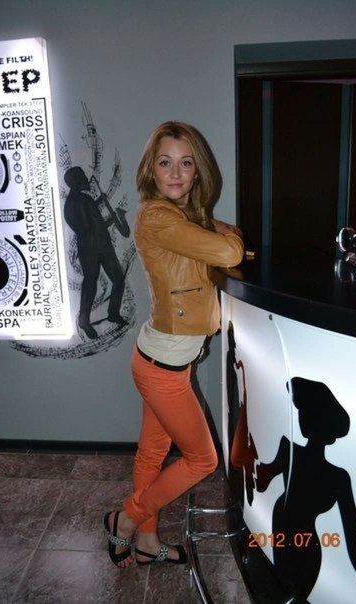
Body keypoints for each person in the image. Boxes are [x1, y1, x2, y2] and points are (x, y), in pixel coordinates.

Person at [104, 121, 244, 567]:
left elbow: (222, 233)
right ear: (151, 169)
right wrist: (228, 237)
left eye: (186, 163)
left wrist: (219, 229)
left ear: (197, 169)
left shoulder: (182, 216)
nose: (176, 173)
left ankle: (146, 543)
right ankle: (126, 519)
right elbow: (229, 250)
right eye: (165, 163)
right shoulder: (159, 216)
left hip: (157, 360)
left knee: (152, 452)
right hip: (162, 369)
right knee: (203, 460)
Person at [64, 166, 127, 339]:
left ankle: (87, 319)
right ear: (78, 181)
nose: (87, 179)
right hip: (98, 246)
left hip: (87, 247)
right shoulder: (83, 199)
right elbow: (92, 226)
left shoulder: (73, 201)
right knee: (114, 280)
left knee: (91, 282)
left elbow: (87, 221)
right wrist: (111, 220)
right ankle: (108, 314)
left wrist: (99, 201)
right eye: (84, 177)